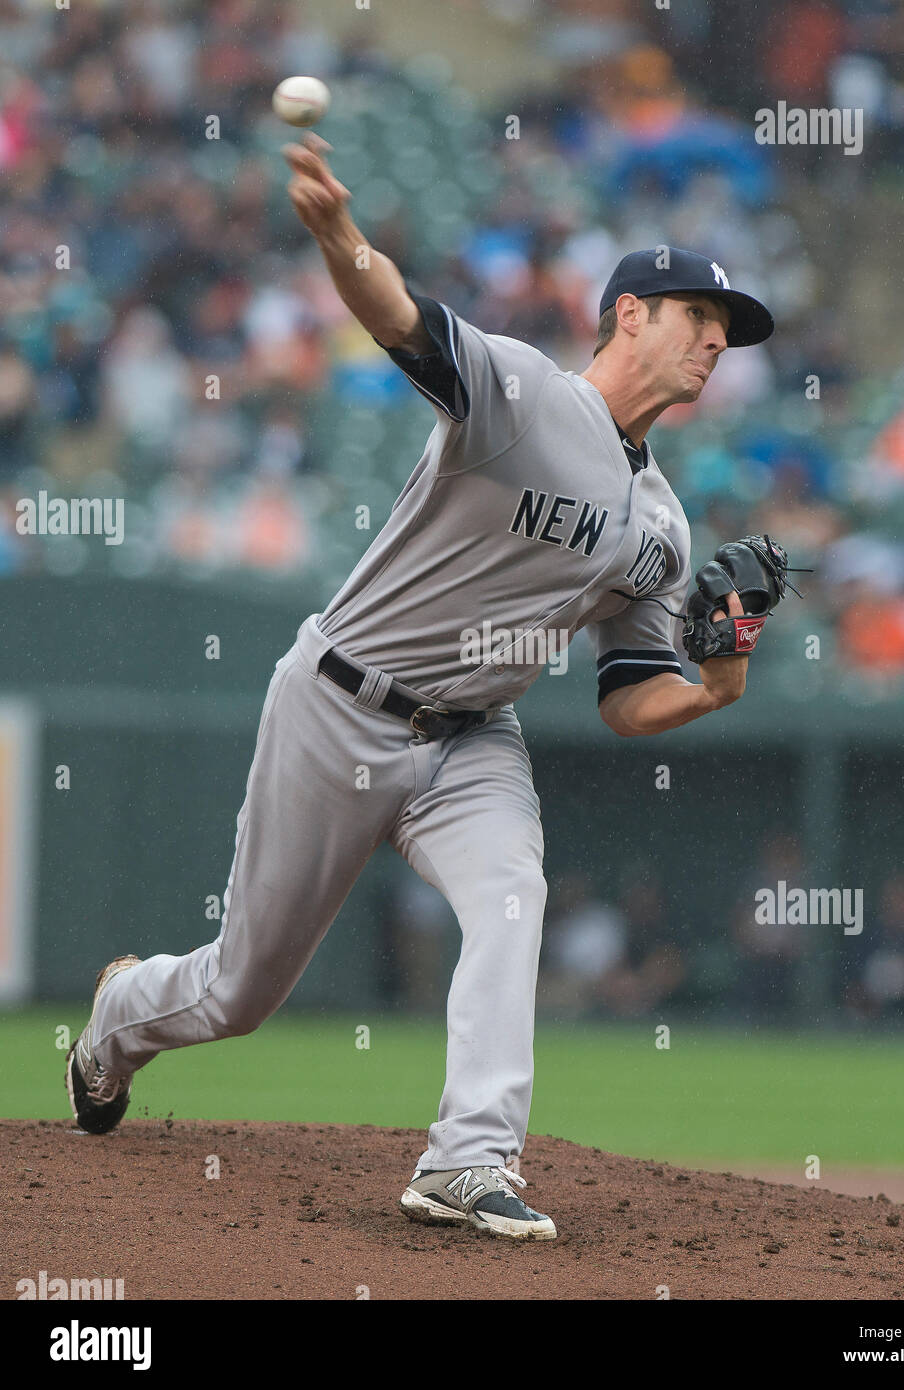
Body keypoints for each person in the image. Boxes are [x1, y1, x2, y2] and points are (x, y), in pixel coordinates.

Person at [65, 133, 774, 1242]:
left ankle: (468, 1158)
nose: (716, 339)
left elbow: (629, 697)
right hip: (341, 700)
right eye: (696, 314)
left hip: (472, 738)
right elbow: (398, 315)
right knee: (238, 994)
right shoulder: (523, 395)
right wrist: (337, 235)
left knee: (513, 897)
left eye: (726, 331)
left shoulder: (663, 530)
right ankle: (118, 1015)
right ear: (627, 313)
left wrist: (720, 679)